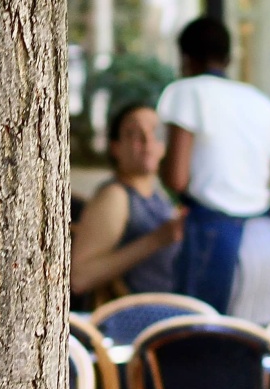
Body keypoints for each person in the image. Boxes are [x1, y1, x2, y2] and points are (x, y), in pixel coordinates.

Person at [158, 18, 270, 323]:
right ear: (228, 57)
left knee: (203, 336)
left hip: (214, 237)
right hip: (268, 240)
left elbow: (177, 178)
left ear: (185, 59)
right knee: (261, 337)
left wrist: (161, 165)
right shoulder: (263, 103)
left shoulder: (186, 92)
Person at [71, 103, 185, 298]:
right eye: (133, 134)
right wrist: (156, 240)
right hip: (137, 312)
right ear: (115, 148)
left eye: (155, 132)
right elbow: (80, 277)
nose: (147, 140)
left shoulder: (158, 194)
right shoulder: (115, 196)